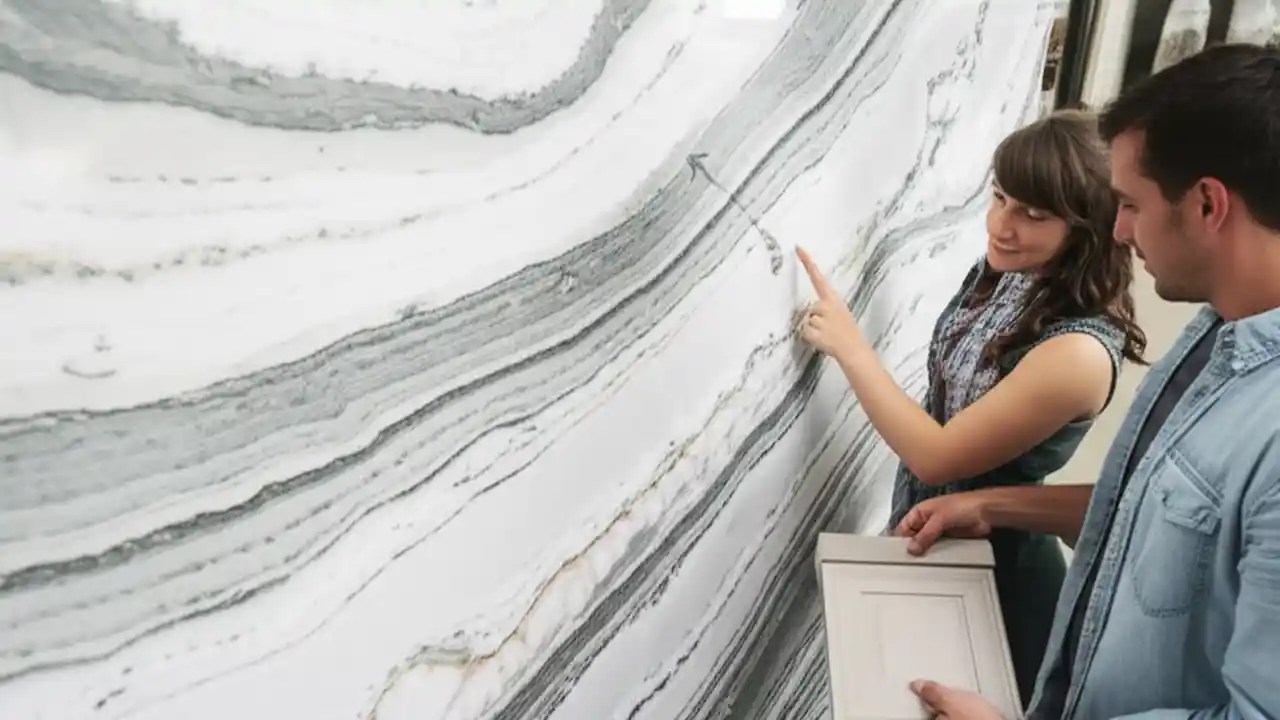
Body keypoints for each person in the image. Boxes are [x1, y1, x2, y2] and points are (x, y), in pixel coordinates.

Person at [898, 43, 1280, 719]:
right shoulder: (1217, 333)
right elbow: (1154, 514)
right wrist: (995, 506)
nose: (1119, 230)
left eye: (1129, 203)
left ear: (1207, 205)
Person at [795, 109, 1146, 703]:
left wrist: (852, 349)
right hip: (936, 541)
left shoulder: (1077, 354)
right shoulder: (1004, 274)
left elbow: (938, 456)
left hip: (996, 580)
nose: (1000, 225)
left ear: (1089, 229)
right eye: (1000, 196)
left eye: (1032, 214)